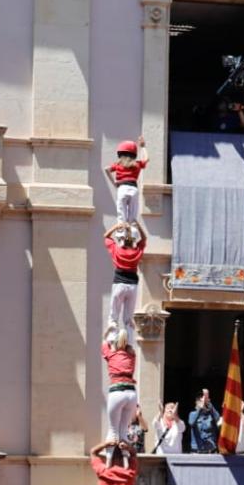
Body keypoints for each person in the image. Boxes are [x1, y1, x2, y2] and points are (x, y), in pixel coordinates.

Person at [103, 221, 146, 351]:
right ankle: (129, 344)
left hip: (119, 285)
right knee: (128, 319)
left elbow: (106, 236)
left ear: (121, 241)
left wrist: (116, 226)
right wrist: (138, 227)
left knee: (113, 315)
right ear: (133, 241)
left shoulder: (117, 250)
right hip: (132, 286)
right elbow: (144, 239)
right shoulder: (136, 252)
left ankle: (111, 340)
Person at [106, 137, 147, 224]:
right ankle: (132, 230)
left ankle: (122, 232)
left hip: (122, 188)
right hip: (134, 189)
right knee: (132, 217)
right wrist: (143, 147)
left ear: (120, 155)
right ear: (134, 154)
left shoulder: (118, 164)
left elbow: (107, 169)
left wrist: (114, 183)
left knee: (121, 215)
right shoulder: (137, 164)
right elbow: (146, 159)